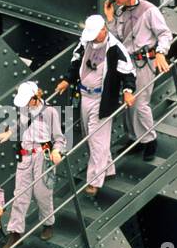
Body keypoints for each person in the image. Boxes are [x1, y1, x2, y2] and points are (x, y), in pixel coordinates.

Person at [54, 15, 136, 195]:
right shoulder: (85, 42)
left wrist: (128, 91)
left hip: (102, 99)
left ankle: (94, 181)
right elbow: (76, 62)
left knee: (96, 139)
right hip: (84, 96)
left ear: (103, 30)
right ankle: (108, 169)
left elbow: (128, 73)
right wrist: (68, 80)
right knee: (90, 136)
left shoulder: (115, 49)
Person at [103, 0, 173, 161]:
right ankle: (135, 139)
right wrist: (110, 18)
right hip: (126, 63)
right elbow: (117, 38)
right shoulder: (120, 12)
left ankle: (150, 140)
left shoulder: (149, 10)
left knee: (140, 103)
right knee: (128, 102)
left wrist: (160, 52)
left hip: (143, 62)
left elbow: (165, 34)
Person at [0, 80, 66, 248]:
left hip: (44, 154)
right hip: (26, 155)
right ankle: (15, 232)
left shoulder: (49, 112)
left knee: (43, 193)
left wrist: (57, 151)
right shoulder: (25, 109)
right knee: (20, 194)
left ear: (35, 98)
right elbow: (21, 122)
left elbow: (59, 137)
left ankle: (48, 223)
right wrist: (10, 133)